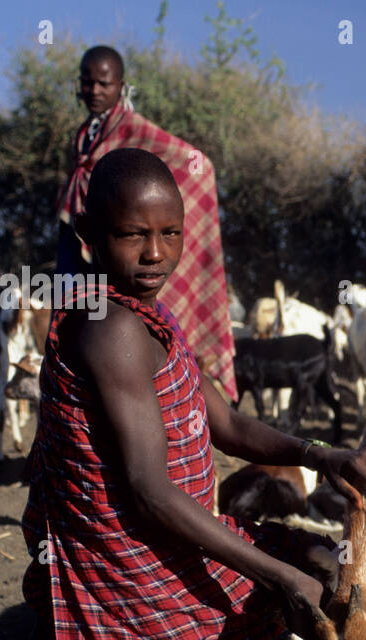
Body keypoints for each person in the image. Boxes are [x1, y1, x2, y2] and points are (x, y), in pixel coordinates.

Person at [24, 148, 366, 640]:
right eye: (131, 235)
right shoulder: (110, 329)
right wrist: (277, 579)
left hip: (175, 530)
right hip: (123, 555)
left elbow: (224, 421)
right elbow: (148, 492)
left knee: (320, 560)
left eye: (170, 233)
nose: (155, 253)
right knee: (287, 590)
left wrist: (324, 456)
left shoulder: (146, 310)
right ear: (88, 233)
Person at [56, 45, 239, 400]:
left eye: (103, 84)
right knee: (75, 327)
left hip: (117, 254)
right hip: (90, 248)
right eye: (87, 83)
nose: (94, 91)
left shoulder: (133, 131)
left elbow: (196, 162)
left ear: (121, 86)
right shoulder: (85, 135)